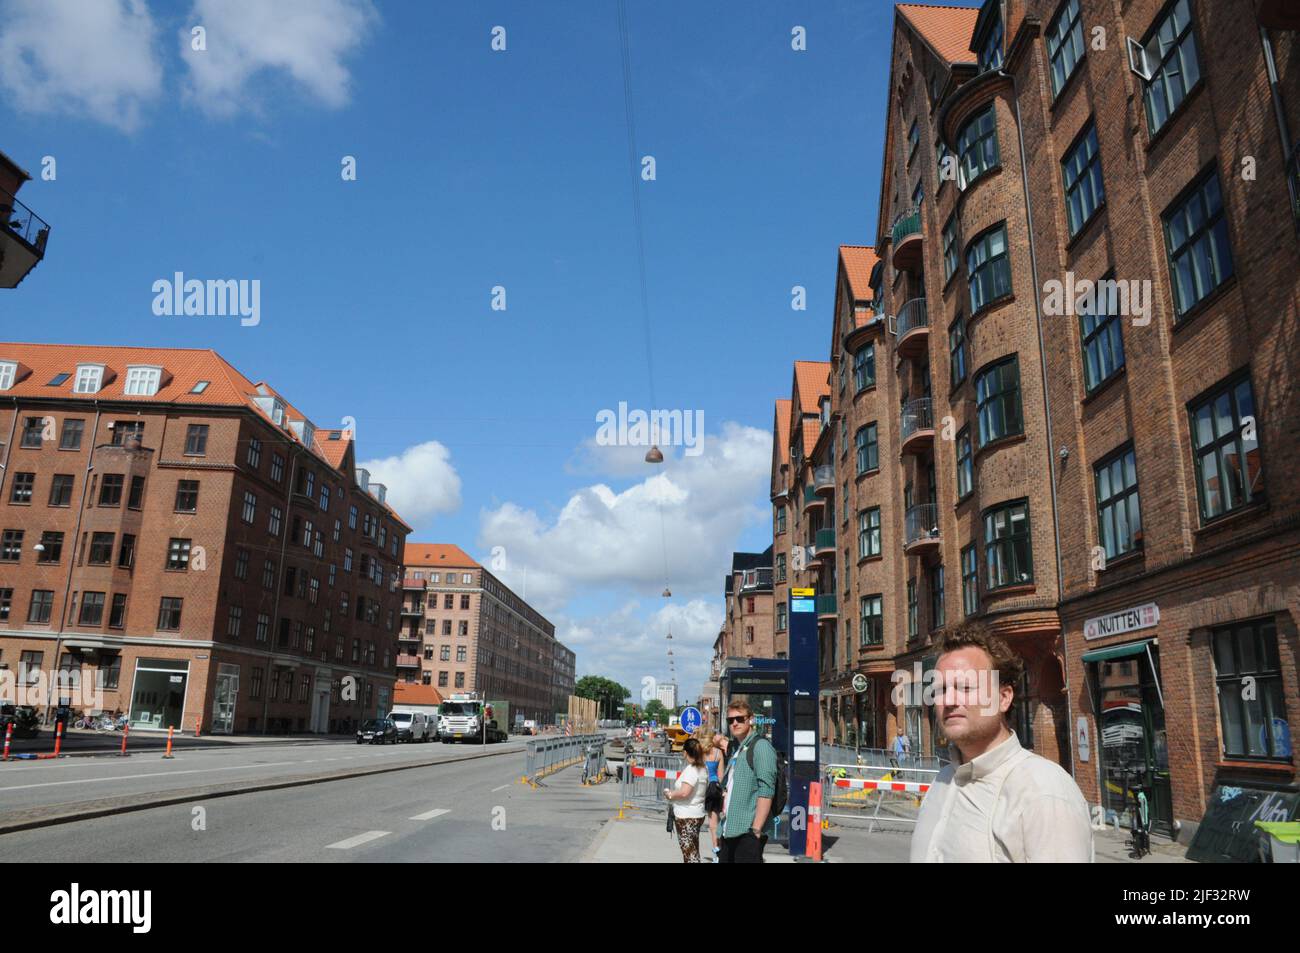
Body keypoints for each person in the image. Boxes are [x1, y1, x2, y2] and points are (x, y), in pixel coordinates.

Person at [910, 621, 1094, 863]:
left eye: (965, 687)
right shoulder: (942, 781)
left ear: (1004, 698)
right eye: (941, 689)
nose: (950, 699)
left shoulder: (1042, 791)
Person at [718, 698, 777, 863]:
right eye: (731, 720)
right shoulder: (738, 749)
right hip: (730, 830)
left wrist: (756, 830)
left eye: (740, 719)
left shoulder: (761, 747)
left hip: (747, 832)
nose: (735, 723)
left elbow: (766, 791)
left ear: (750, 719)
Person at [664, 738, 709, 862]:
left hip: (686, 816)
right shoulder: (702, 768)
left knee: (689, 854)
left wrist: (670, 794)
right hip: (696, 813)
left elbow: (684, 792)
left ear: (685, 752)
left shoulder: (691, 770)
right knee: (692, 852)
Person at [695, 727, 728, 862]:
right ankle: (717, 852)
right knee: (715, 823)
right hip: (715, 789)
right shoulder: (718, 753)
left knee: (704, 822)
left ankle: (712, 852)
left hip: (703, 788)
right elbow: (721, 776)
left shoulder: (700, 752)